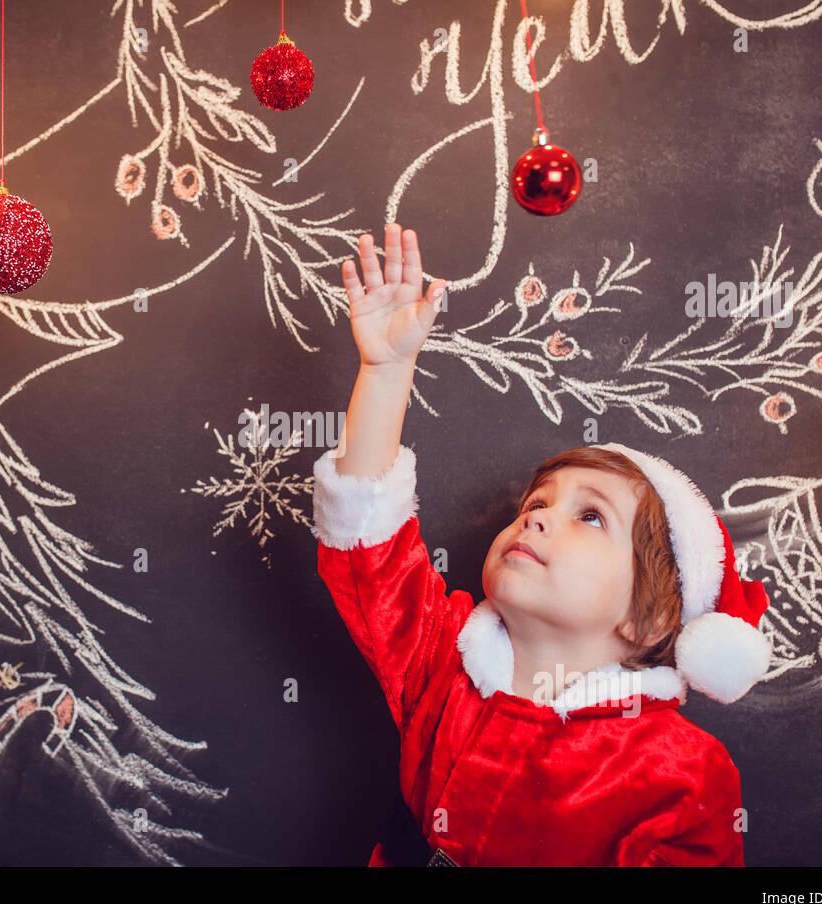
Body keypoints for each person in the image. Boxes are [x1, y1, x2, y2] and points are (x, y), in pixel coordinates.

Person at [313, 224, 773, 866]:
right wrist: (387, 371)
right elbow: (369, 546)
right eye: (536, 503)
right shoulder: (442, 659)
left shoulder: (681, 774)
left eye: (590, 517)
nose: (536, 519)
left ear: (648, 618)